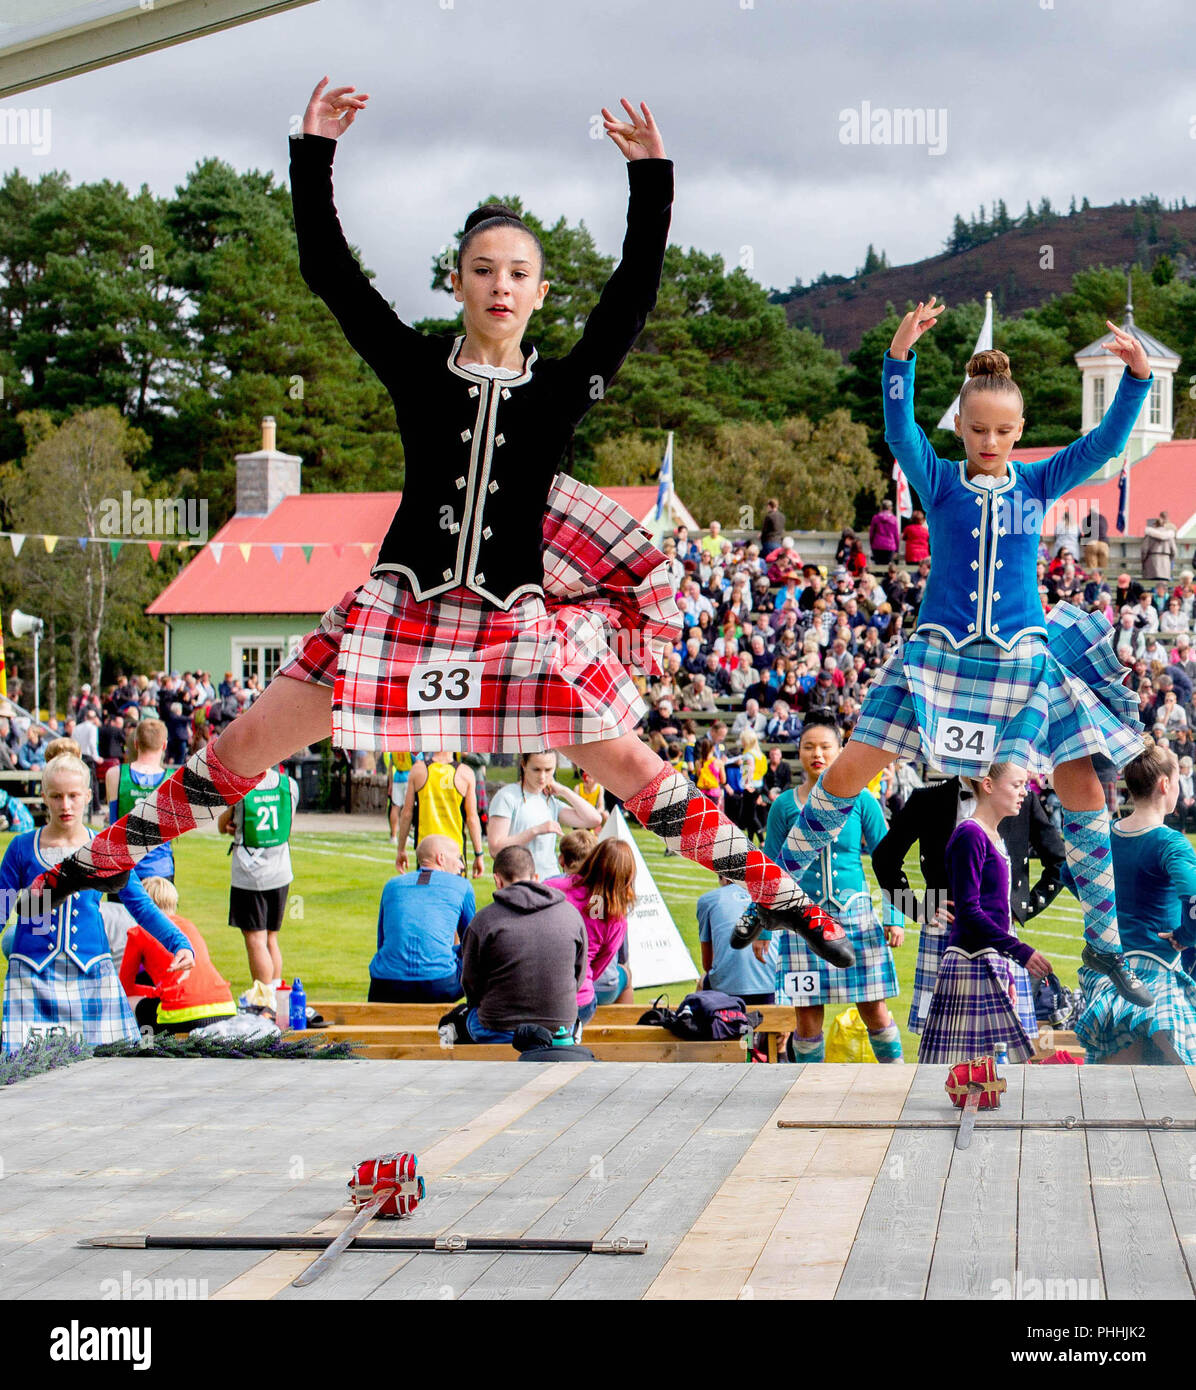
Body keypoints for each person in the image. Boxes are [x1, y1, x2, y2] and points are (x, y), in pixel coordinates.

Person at [25, 80, 848, 981]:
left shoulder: (569, 387)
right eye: (483, 269)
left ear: (540, 292)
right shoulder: (417, 369)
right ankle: (87, 867)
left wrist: (652, 178)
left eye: (519, 273)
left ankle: (782, 898)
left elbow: (635, 292)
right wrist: (313, 153)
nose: (501, 285)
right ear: (456, 282)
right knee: (241, 748)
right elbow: (329, 273)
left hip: (512, 626)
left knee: (636, 769)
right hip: (399, 614)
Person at [735, 299, 1154, 1008]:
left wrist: (1136, 381)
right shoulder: (938, 480)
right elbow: (899, 430)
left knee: (1084, 787)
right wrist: (899, 357)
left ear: (1020, 432)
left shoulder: (1038, 481)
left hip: (1022, 660)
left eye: (1003, 430)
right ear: (959, 425)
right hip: (939, 658)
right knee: (849, 770)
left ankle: (1106, 948)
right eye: (978, 428)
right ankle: (772, 893)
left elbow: (1103, 443)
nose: (989, 440)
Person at [1, 754, 193, 1052]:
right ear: (43, 797)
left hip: (92, 971)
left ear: (88, 796)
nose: (65, 805)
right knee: (23, 1066)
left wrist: (179, 943)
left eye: (73, 796)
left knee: (107, 1066)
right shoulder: (21, 847)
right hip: (30, 972)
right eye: (56, 796)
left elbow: (140, 905)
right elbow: (3, 907)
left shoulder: (106, 849)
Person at [874, 770, 1063, 1037]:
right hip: (944, 929)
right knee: (943, 1037)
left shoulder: (1019, 798)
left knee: (1005, 1038)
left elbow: (1058, 860)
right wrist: (918, 910)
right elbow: (884, 859)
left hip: (999, 930)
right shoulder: (928, 799)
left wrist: (1021, 907)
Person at [760, 712, 904, 1063]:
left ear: (841, 750)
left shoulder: (862, 800)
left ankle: (899, 1080)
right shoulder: (783, 806)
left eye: (825, 746)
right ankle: (810, 1093)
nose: (817, 754)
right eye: (808, 747)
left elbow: (888, 861)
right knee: (807, 1020)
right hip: (802, 923)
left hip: (856, 917)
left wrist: (895, 915)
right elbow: (769, 869)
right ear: (799, 752)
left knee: (875, 1011)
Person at [918, 763, 1051, 1064]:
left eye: (1024, 786)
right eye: (1016, 785)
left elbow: (997, 911)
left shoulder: (993, 836)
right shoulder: (971, 834)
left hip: (990, 958)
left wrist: (1008, 967)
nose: (1024, 793)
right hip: (971, 961)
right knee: (967, 1067)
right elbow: (970, 911)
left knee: (996, 1066)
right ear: (988, 786)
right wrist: (1022, 952)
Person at [1073, 745, 1196, 1063]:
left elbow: (1071, 875)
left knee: (1117, 1097)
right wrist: (1185, 936)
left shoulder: (1105, 838)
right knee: (1183, 1091)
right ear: (1165, 784)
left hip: (1111, 979)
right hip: (1159, 978)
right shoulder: (1170, 842)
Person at [460, 845, 586, 1044]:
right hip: (560, 1026)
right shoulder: (570, 915)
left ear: (497, 880)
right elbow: (578, 976)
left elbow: (470, 984)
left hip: (498, 1027)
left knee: (458, 1022)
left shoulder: (483, 921)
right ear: (535, 877)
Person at [216, 763, 300, 994]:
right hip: (281, 869)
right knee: (271, 938)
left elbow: (223, 825)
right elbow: (286, 826)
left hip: (249, 872)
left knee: (255, 938)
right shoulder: (289, 785)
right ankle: (275, 991)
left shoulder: (240, 787)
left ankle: (264, 999)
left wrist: (235, 825)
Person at [119, 876, 236, 1034]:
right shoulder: (188, 926)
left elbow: (125, 987)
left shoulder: (138, 932)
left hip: (183, 1013)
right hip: (225, 1006)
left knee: (129, 1001)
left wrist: (154, 992)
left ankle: (147, 1046)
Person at [369, 834, 476, 1003]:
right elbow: (472, 943)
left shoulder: (392, 885)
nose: (461, 865)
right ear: (441, 858)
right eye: (458, 858)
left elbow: (382, 941)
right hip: (439, 984)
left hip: (386, 984)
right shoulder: (461, 885)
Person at [546, 838, 636, 1026]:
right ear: (627, 878)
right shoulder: (615, 917)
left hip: (540, 986)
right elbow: (599, 966)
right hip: (579, 996)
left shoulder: (553, 887)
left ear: (593, 859)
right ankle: (623, 1035)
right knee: (624, 974)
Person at [488, 751, 602, 883]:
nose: (542, 776)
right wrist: (536, 830)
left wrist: (564, 791)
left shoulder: (549, 799)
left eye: (548, 770)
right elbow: (495, 849)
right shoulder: (507, 797)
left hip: (551, 881)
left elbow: (594, 819)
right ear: (523, 765)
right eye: (536, 769)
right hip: (520, 883)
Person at [105, 718, 175, 884]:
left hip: (122, 870)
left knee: (118, 911)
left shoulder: (115, 774)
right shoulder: (173, 780)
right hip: (160, 869)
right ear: (164, 745)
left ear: (135, 744)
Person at [395, 749, 484, 878]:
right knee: (454, 896)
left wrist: (401, 849)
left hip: (427, 852)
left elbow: (406, 814)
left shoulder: (418, 770)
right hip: (454, 853)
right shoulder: (465, 773)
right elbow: (472, 819)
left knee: (428, 895)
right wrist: (478, 854)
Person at [698, 875, 778, 1004]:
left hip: (726, 991)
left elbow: (707, 964)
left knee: (703, 981)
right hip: (773, 988)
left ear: (723, 877)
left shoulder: (708, 900)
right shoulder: (772, 896)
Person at [869, 499, 901, 566]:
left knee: (878, 567)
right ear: (890, 508)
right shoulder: (894, 519)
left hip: (877, 545)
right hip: (890, 546)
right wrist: (897, 549)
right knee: (887, 567)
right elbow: (896, 535)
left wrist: (872, 545)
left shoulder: (876, 518)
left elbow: (871, 533)